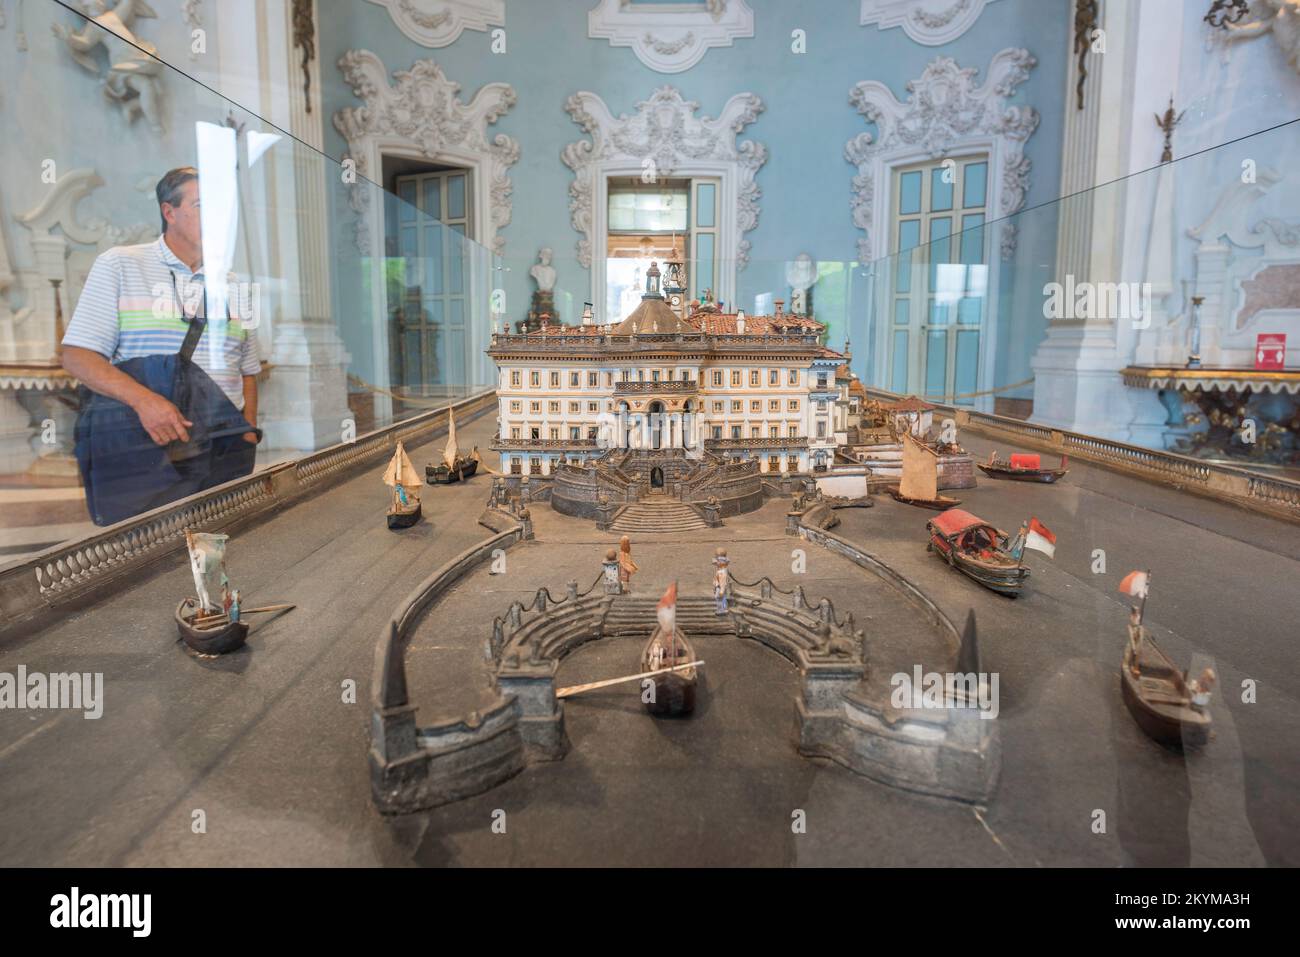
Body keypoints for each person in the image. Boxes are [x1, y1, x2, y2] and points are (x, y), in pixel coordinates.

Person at [61, 167, 262, 523]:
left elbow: (248, 369)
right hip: (151, 447)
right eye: (202, 205)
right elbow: (78, 357)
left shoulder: (236, 286)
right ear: (169, 212)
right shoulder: (121, 265)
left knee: (224, 540)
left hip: (223, 451)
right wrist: (145, 401)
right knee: (150, 555)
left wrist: (246, 433)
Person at [713, 547, 730, 615]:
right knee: (723, 597)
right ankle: (723, 608)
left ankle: (721, 609)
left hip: (720, 586)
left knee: (718, 597)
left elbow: (722, 581)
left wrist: (721, 589)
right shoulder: (721, 570)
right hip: (719, 585)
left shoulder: (722, 571)